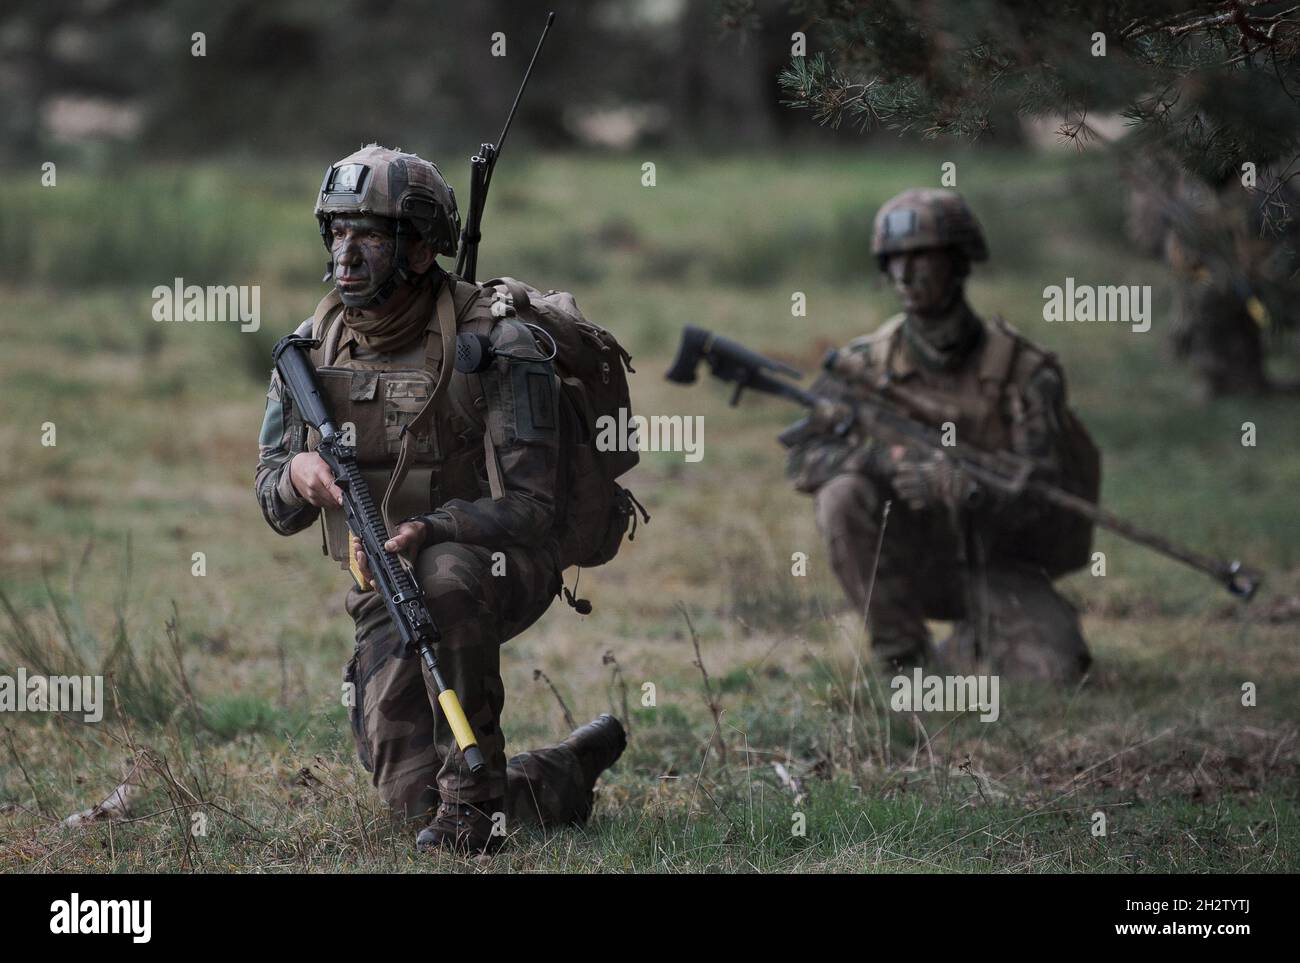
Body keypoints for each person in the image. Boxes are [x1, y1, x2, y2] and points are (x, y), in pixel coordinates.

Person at [254, 144, 625, 853]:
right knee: (407, 801)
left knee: (447, 571)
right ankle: (564, 770)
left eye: (369, 234)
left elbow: (533, 507)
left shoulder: (499, 344)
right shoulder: (310, 349)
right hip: (385, 587)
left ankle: (475, 810)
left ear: (421, 250)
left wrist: (432, 525)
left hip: (498, 565)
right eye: (336, 232)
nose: (346, 254)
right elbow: (274, 505)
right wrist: (297, 473)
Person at [786, 189, 1095, 684]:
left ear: (959, 262)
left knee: (1058, 675)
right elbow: (803, 461)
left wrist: (973, 488)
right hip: (912, 563)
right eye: (894, 261)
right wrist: (882, 463)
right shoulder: (863, 365)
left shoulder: (1024, 372)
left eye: (921, 257)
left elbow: (1055, 494)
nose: (905, 275)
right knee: (841, 494)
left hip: (1002, 564)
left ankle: (971, 643)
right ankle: (903, 660)